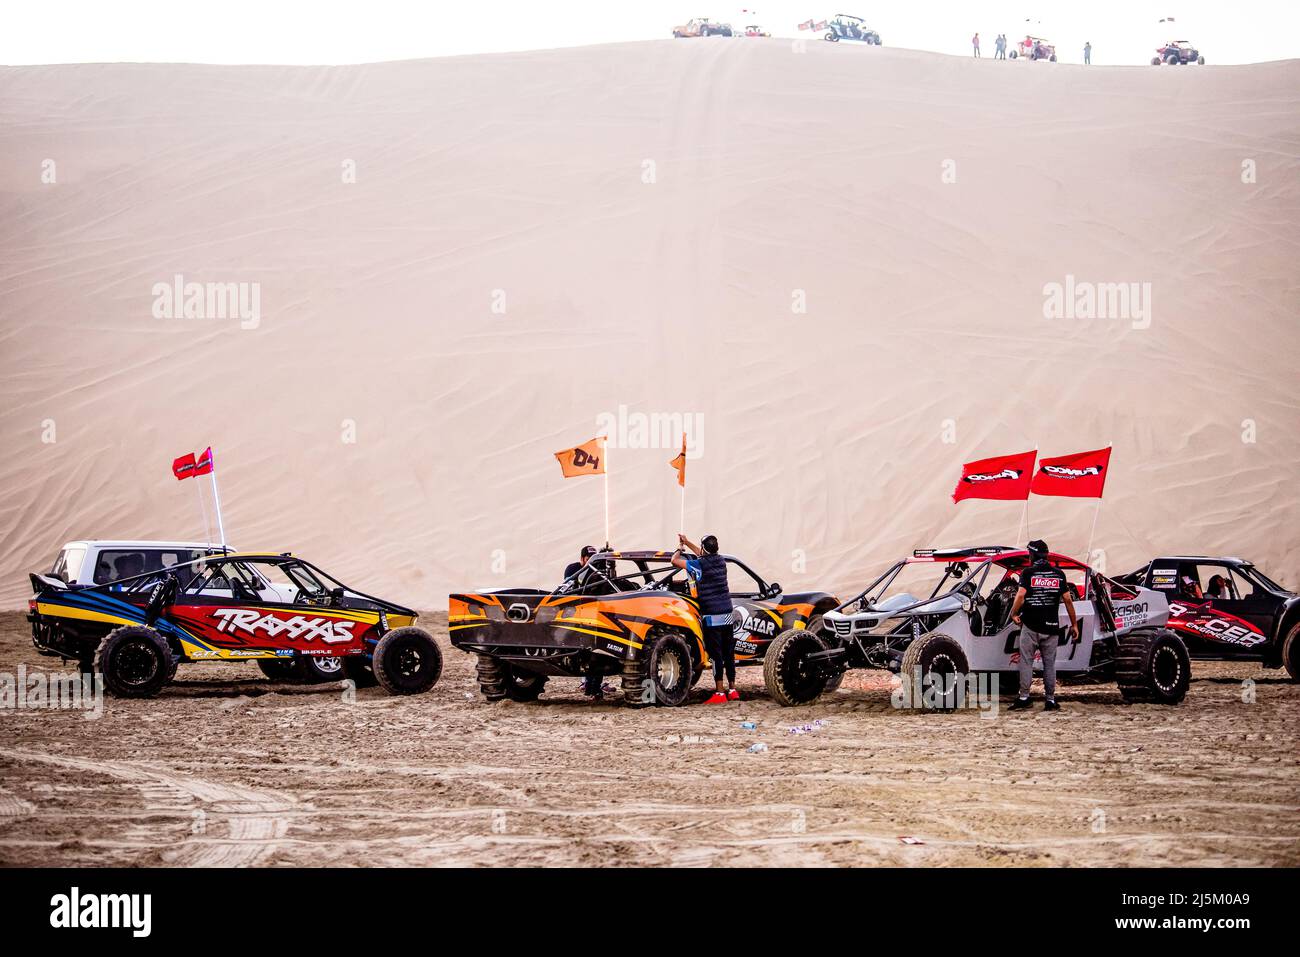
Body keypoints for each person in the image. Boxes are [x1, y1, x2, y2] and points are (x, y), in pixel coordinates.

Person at [1008, 540, 1078, 712]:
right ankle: (1050, 700)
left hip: (1031, 625)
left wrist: (1013, 613)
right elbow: (1068, 599)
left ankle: (1024, 697)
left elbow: (1021, 595)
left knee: (1026, 661)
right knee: (1049, 664)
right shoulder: (1058, 574)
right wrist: (1074, 624)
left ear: (1032, 555)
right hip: (1051, 626)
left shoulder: (1028, 573)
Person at [671, 532, 738, 703]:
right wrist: (688, 542)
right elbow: (703, 554)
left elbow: (675, 561)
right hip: (727, 613)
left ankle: (719, 692)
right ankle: (732, 689)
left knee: (716, 655)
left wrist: (680, 548)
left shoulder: (699, 565)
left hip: (712, 615)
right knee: (728, 653)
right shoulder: (721, 561)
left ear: (703, 549)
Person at [562, 545, 609, 698]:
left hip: (594, 616)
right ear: (582, 559)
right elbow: (577, 585)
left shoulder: (600, 572)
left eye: (595, 558)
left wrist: (605, 564)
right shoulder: (574, 569)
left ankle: (593, 686)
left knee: (597, 653)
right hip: (575, 615)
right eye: (589, 559)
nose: (592, 562)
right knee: (588, 654)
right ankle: (589, 684)